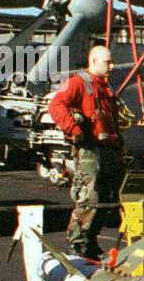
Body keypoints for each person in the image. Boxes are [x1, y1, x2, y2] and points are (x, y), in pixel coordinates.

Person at [48, 45, 125, 260]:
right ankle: (78, 245)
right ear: (93, 61)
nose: (112, 66)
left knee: (107, 199)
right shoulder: (78, 82)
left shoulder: (105, 88)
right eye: (107, 62)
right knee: (89, 198)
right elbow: (56, 105)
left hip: (108, 151)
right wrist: (74, 129)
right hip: (91, 151)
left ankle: (90, 243)